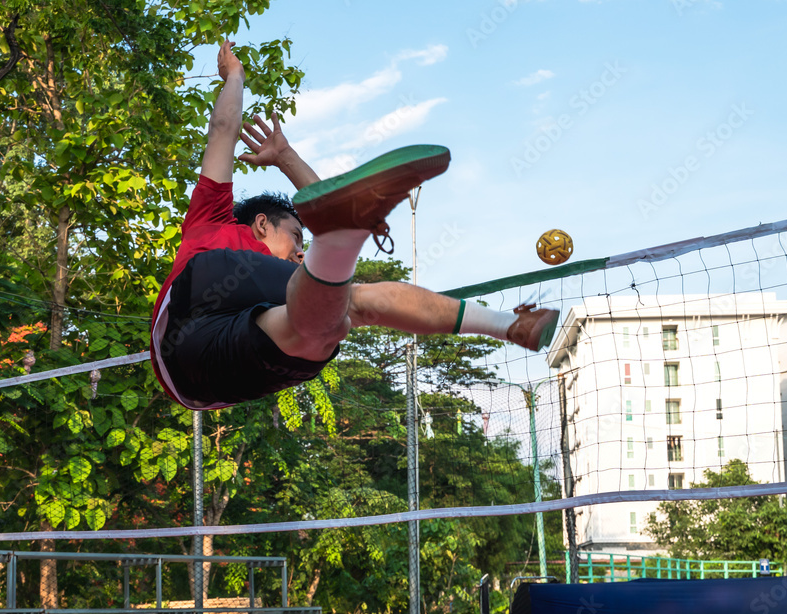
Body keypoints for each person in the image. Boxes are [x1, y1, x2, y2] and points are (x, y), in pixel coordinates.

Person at [150, 41, 558, 410]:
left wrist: (286, 155)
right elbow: (223, 131)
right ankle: (338, 240)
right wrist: (234, 77)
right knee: (332, 291)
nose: (298, 250)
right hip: (189, 311)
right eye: (296, 235)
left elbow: (333, 209)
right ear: (261, 225)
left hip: (204, 376)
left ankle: (511, 326)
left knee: (329, 322)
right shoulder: (212, 219)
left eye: (305, 239)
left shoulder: (290, 282)